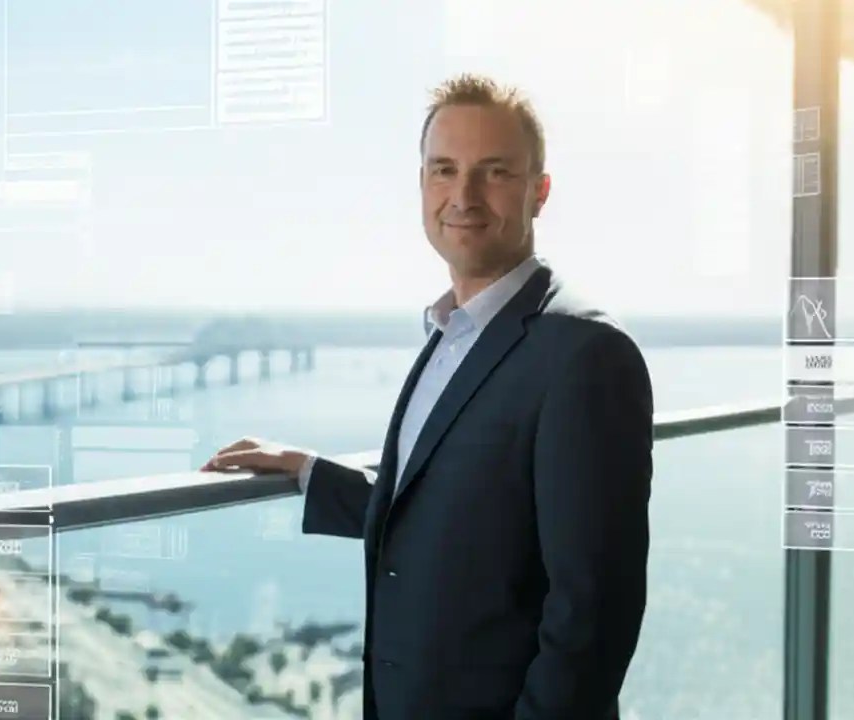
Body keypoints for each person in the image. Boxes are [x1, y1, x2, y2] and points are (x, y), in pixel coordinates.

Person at [202, 73, 653, 720]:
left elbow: (594, 612)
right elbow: (456, 516)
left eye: (494, 172)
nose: (463, 195)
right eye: (444, 170)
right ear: (422, 186)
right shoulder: (450, 334)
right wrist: (308, 472)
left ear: (539, 192)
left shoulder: (584, 354)